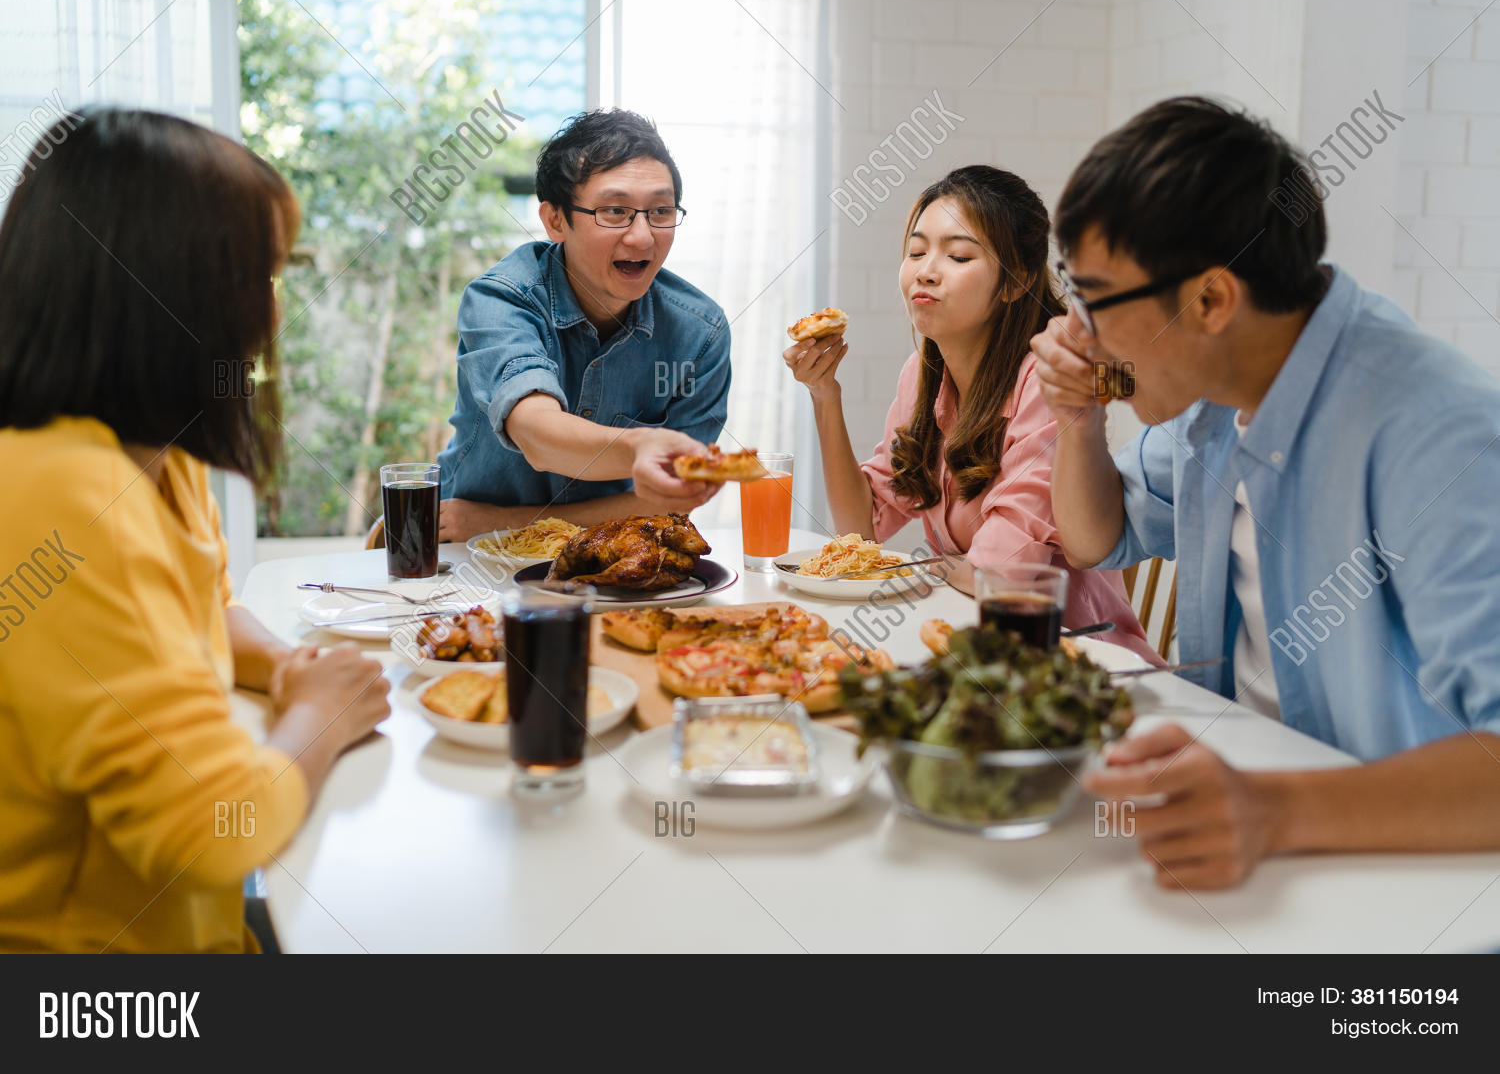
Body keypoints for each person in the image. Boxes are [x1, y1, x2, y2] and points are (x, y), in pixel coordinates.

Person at [1031, 96, 1500, 890]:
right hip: (1245, 817)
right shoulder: (1212, 393)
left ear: (1211, 300)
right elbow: (1096, 541)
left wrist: (1272, 811)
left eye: (1096, 299)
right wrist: (1077, 421)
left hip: (1399, 877)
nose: (1080, 333)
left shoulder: (1435, 428)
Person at [0, 108, 391, 952]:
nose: (268, 315)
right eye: (262, 275)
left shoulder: (154, 457)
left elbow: (202, 609)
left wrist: (291, 668)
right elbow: (221, 826)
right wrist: (320, 718)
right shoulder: (63, 492)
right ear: (175, 291)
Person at [784, 165, 1158, 664]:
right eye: (916, 252)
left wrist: (930, 569)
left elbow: (1001, 573)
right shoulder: (921, 374)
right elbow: (862, 528)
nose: (926, 270)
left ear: (1015, 282)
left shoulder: (1047, 381)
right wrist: (824, 396)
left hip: (1077, 660)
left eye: (958, 255)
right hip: (978, 641)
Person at [436, 109, 731, 542]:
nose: (643, 237)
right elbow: (536, 431)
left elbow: (672, 498)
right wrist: (638, 449)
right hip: (467, 552)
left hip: (608, 559)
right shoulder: (501, 298)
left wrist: (504, 523)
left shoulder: (700, 334)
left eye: (661, 211)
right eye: (615, 211)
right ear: (555, 220)